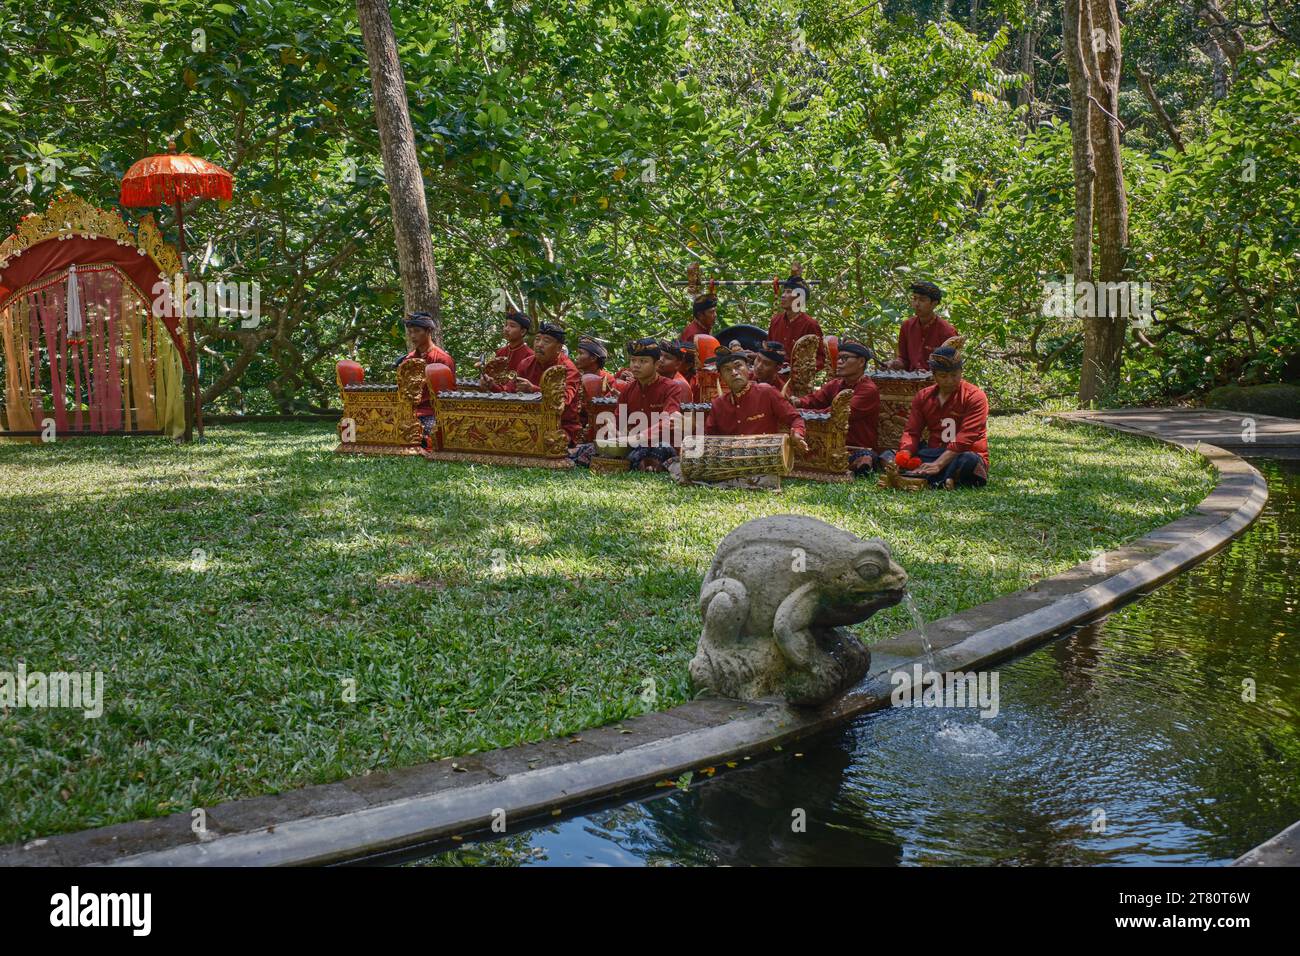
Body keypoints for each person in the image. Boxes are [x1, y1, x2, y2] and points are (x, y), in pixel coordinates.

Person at [571, 338, 685, 471]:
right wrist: (614, 430)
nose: (636, 365)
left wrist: (636, 438)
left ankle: (634, 463)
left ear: (656, 364)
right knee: (589, 449)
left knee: (656, 450)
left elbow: (669, 421)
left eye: (643, 361)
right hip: (631, 443)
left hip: (659, 444)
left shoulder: (671, 387)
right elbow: (618, 420)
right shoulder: (628, 389)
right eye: (633, 360)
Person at [897, 345, 989, 488]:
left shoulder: (975, 396)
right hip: (934, 453)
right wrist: (905, 453)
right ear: (934, 376)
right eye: (943, 376)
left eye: (954, 375)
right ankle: (945, 479)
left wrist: (938, 465)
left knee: (970, 461)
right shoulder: (923, 396)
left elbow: (965, 437)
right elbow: (912, 431)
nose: (950, 380)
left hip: (964, 454)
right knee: (889, 455)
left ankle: (928, 477)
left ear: (961, 372)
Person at [486, 320, 583, 445]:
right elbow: (508, 391)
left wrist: (533, 389)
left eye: (546, 341)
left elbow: (563, 401)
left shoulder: (568, 369)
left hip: (559, 427)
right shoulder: (526, 363)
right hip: (526, 423)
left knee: (547, 441)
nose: (539, 345)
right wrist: (491, 385)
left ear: (559, 348)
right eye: (537, 339)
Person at [795, 338, 882, 476]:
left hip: (854, 448)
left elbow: (837, 414)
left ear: (861, 362)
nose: (839, 362)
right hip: (828, 445)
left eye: (845, 358)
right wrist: (796, 402)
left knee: (865, 458)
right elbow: (813, 400)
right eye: (839, 358)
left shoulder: (868, 390)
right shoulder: (835, 384)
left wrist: (800, 412)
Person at [705, 347, 809, 453]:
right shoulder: (718, 405)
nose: (734, 372)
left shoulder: (766, 392)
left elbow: (795, 418)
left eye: (738, 366)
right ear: (721, 377)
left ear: (748, 369)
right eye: (727, 369)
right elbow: (708, 438)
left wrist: (797, 433)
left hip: (766, 461)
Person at [400, 313, 456, 436]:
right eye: (410, 332)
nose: (413, 336)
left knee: (431, 432)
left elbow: (447, 397)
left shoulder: (443, 360)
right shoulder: (408, 360)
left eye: (417, 331)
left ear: (428, 331)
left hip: (432, 413)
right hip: (409, 412)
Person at [889, 280, 958, 372]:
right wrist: (895, 363)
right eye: (914, 298)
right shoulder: (907, 326)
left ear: (934, 304)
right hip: (911, 381)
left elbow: (951, 367)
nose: (916, 304)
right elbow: (904, 359)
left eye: (922, 300)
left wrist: (931, 371)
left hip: (937, 382)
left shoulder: (947, 331)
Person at [767, 273, 826, 371]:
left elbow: (820, 359)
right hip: (773, 374)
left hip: (797, 379)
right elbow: (768, 349)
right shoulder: (775, 320)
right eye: (784, 292)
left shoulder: (810, 324)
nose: (783, 295)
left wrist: (799, 369)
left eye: (789, 292)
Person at [494, 309, 535, 373]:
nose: (506, 329)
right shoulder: (500, 352)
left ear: (523, 332)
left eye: (512, 326)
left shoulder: (530, 355)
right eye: (506, 325)